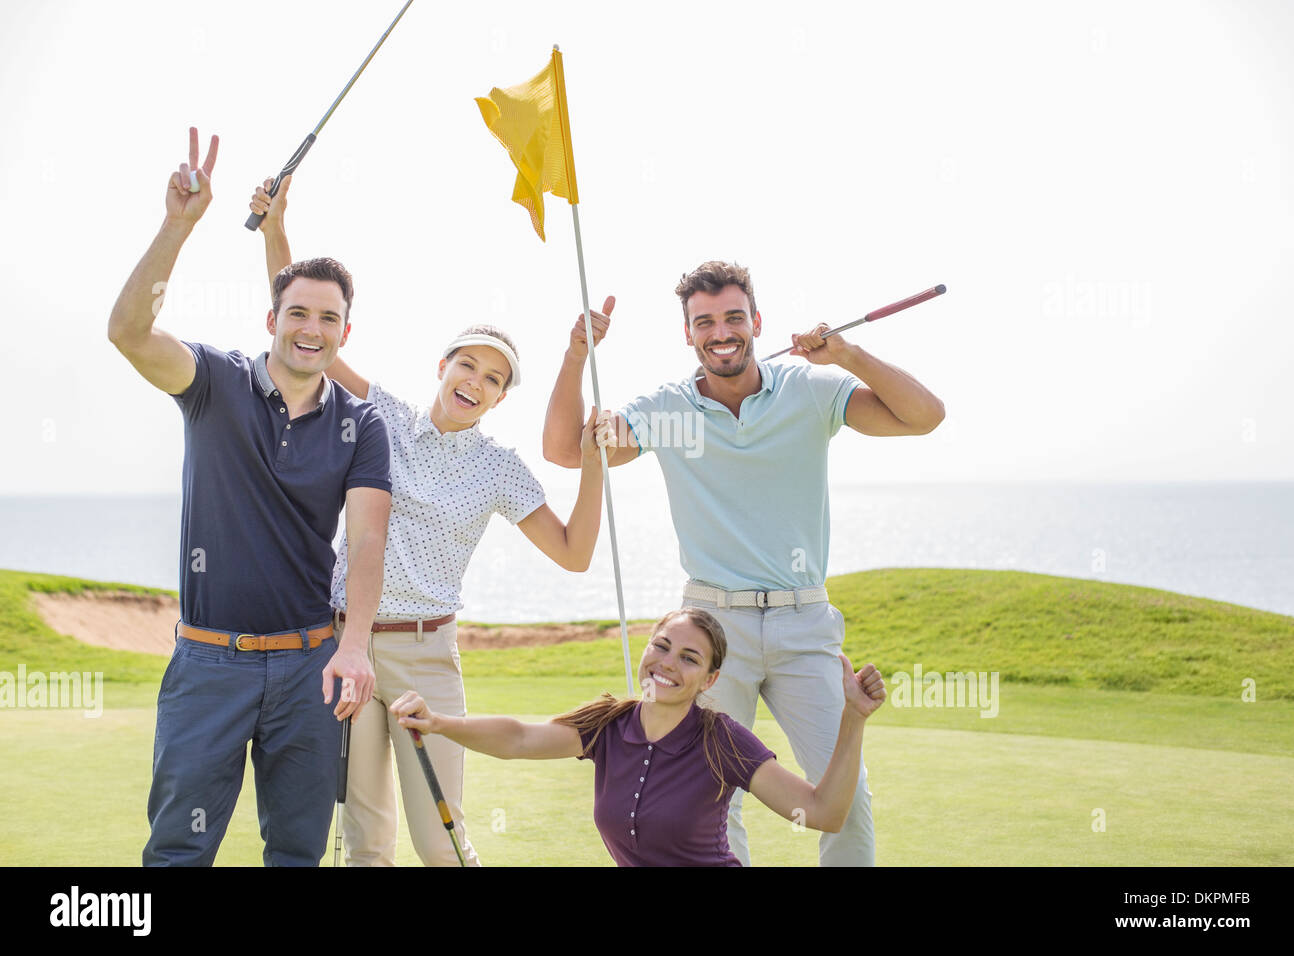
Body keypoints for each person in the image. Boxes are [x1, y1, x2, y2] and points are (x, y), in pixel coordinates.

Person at [248, 175, 611, 866]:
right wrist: (275, 233)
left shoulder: (501, 469)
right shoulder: (381, 414)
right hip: (346, 647)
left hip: (427, 659)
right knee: (365, 837)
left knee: (440, 836)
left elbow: (574, 554)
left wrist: (593, 462)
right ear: (442, 367)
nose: (474, 381)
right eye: (467, 365)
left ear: (500, 398)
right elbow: (312, 335)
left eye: (493, 378)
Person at [542, 260, 945, 866]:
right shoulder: (668, 410)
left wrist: (847, 355)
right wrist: (578, 354)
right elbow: (565, 450)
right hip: (708, 628)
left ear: (756, 321)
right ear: (688, 334)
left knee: (847, 797)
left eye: (734, 317)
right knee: (710, 801)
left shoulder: (809, 391)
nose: (721, 331)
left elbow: (926, 416)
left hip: (804, 623)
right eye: (704, 322)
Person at [110, 128, 392, 866]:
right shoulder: (213, 383)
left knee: (297, 853)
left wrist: (355, 645)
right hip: (210, 665)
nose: (312, 328)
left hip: (309, 668)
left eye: (328, 318)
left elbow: (366, 541)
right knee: (178, 851)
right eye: (298, 313)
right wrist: (178, 225)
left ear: (344, 331)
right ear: (273, 320)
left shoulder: (361, 424)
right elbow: (129, 332)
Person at [390, 607, 887, 866]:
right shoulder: (609, 725)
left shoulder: (722, 741)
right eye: (662, 646)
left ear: (709, 680)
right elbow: (521, 738)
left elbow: (824, 812)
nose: (668, 664)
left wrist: (854, 719)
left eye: (689, 658)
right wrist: (439, 723)